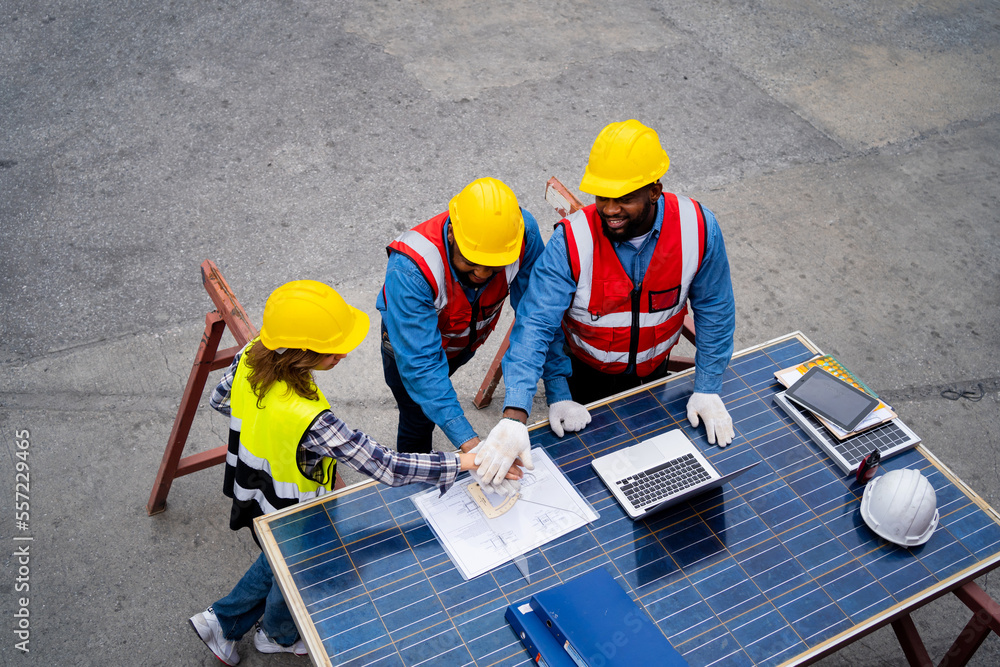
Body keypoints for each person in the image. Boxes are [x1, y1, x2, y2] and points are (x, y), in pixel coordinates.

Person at [188, 280, 520, 666]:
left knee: (279, 557)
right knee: (296, 566)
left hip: (252, 487)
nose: (343, 354)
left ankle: (236, 623)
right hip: (296, 507)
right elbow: (388, 466)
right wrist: (466, 461)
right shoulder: (312, 422)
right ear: (299, 352)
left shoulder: (252, 353)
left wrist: (267, 425)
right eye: (332, 350)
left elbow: (220, 400)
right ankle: (264, 631)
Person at [478, 120, 737, 486]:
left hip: (654, 373)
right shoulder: (572, 242)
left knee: (649, 473)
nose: (610, 209)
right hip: (585, 377)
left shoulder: (697, 229)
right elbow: (535, 325)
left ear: (654, 191)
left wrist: (707, 387)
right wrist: (518, 412)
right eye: (602, 197)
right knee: (591, 480)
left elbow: (716, 310)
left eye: (624, 198)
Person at [376, 176, 568, 472]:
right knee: (417, 417)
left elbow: (538, 318)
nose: (482, 273)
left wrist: (556, 389)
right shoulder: (409, 270)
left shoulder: (519, 236)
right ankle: (415, 479)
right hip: (410, 349)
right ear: (452, 233)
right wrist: (472, 446)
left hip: (462, 344)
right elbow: (422, 366)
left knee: (436, 398)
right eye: (471, 261)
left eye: (493, 265)